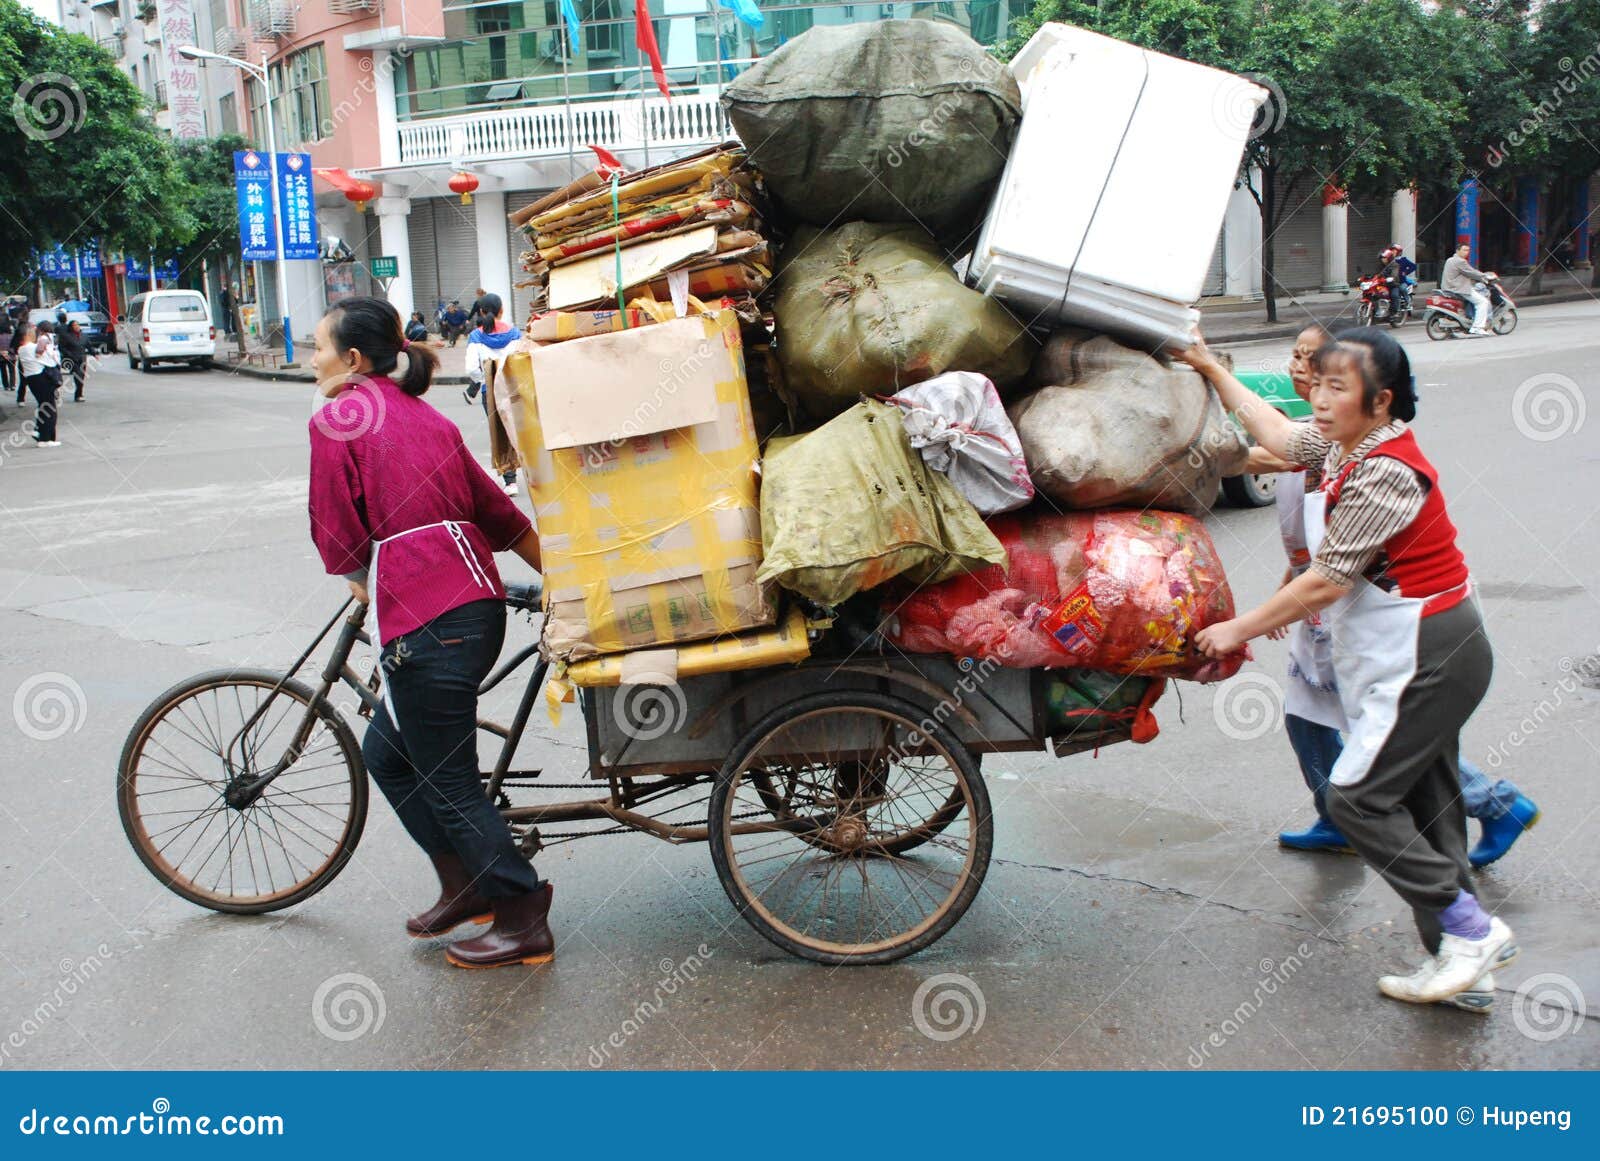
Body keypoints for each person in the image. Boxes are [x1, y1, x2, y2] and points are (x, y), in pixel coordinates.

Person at [1179, 326, 1514, 1008]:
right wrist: (1210, 366)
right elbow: (1278, 434)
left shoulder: (1386, 470)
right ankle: (1461, 964)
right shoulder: (1344, 447)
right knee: (1429, 803)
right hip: (1412, 650)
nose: (1321, 398)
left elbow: (1327, 579)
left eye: (1338, 386)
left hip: (1430, 654)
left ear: (1381, 399)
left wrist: (1236, 628)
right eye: (1320, 384)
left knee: (1355, 799)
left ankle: (1472, 931)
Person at [306, 296, 554, 970]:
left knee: (449, 780)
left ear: (352, 359)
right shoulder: (427, 416)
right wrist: (565, 576)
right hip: (475, 608)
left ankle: (522, 913)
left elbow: (335, 528)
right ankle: (466, 884)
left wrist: (360, 576)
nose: (312, 360)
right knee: (387, 755)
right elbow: (500, 515)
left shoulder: (339, 417)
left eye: (319, 348)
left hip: (427, 618)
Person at [1268, 324, 1539, 873]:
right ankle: (1446, 893)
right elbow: (1281, 476)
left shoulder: (1371, 459)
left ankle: (1484, 820)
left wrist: (1240, 626)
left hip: (1386, 627)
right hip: (1349, 615)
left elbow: (1332, 567)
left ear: (1375, 394)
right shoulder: (1329, 438)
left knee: (1376, 754)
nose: (1304, 373)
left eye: (1323, 369)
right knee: (1322, 719)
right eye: (1300, 361)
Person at [462, 292, 523, 495]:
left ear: (481, 312)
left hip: (490, 392)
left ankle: (510, 481)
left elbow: (471, 368)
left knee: (500, 433)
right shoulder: (514, 333)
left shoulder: (476, 336)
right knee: (520, 431)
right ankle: (534, 474)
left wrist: (483, 380)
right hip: (513, 388)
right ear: (501, 310)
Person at [17, 322, 62, 447]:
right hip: (42, 378)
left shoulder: (21, 349)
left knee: (43, 406)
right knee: (49, 409)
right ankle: (46, 439)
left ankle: (40, 432)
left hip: (31, 379)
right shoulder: (33, 347)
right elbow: (52, 360)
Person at [1441, 243, 1496, 336]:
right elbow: (1471, 272)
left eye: (1468, 250)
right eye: (1464, 250)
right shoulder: (1460, 261)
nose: (1466, 252)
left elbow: (1467, 273)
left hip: (1448, 288)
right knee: (1483, 302)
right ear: (1457, 251)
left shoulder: (1450, 260)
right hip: (1458, 289)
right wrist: (1485, 276)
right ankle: (1477, 327)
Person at [59, 319, 88, 403]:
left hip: (82, 359)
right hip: (72, 360)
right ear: (71, 327)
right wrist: (69, 354)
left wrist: (94, 353)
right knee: (78, 375)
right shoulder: (66, 336)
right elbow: (61, 347)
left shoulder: (84, 336)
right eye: (74, 325)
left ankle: (79, 394)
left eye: (77, 325)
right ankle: (79, 395)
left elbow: (88, 345)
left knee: (81, 376)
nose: (76, 327)